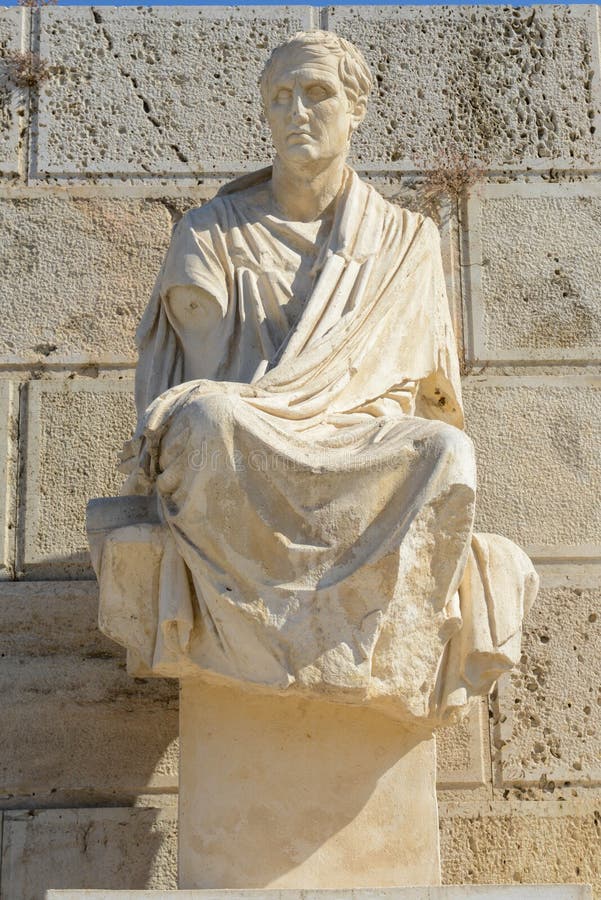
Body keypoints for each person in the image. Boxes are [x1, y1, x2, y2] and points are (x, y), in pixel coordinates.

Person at [102, 30, 538, 729]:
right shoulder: (211, 235)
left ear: (355, 107)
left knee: (443, 453)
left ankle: (354, 639)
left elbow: (424, 398)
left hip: (358, 446)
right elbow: (212, 379)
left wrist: (346, 430)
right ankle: (256, 627)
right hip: (251, 434)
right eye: (279, 98)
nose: (297, 111)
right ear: (264, 114)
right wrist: (262, 415)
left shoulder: (404, 240)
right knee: (208, 418)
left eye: (317, 93)